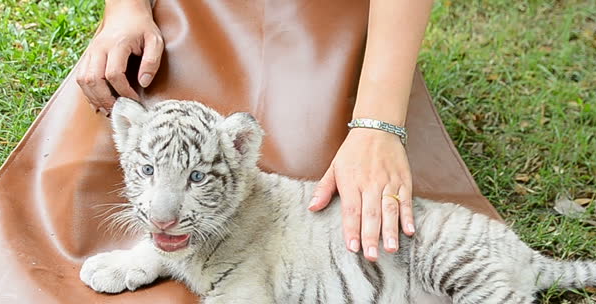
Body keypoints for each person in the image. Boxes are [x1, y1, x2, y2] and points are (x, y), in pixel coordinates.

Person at [77, 0, 434, 263]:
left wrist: (376, 124)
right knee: (77, 197)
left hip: (324, 24)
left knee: (313, 180)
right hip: (195, 16)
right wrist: (126, 10)